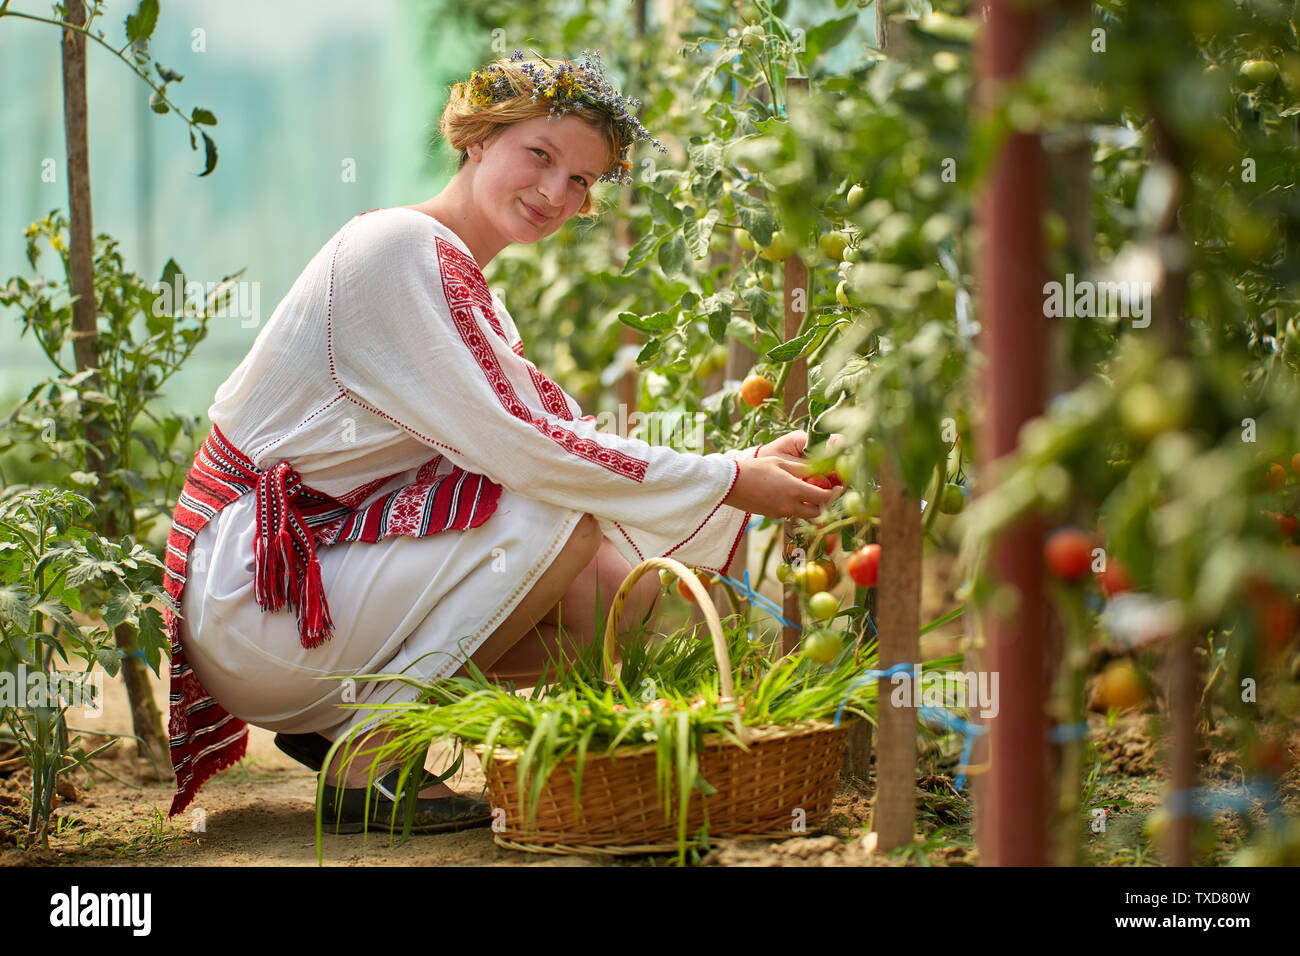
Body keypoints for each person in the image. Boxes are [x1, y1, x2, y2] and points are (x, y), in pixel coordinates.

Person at [161, 49, 837, 835]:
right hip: (258, 592)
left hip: (294, 582)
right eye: (540, 156)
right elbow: (527, 447)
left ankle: (342, 720)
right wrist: (727, 479)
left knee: (618, 601)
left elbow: (548, 437)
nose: (556, 192)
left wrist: (734, 471)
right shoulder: (397, 251)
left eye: (581, 180)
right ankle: (365, 759)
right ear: (480, 138)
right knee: (554, 517)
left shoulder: (451, 270)